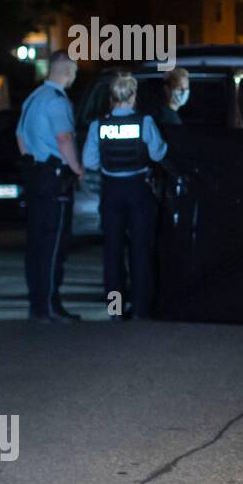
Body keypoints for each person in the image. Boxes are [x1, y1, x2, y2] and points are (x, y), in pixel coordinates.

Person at [82, 71, 168, 320]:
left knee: (112, 252)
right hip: (139, 190)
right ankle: (141, 310)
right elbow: (158, 154)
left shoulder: (98, 124)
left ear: (112, 96)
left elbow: (89, 161)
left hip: (111, 193)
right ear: (133, 96)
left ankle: (115, 310)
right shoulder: (145, 122)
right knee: (141, 252)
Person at [16, 50, 84, 322]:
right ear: (66, 71)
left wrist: (32, 161)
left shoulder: (33, 98)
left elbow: (20, 136)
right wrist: (76, 168)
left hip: (35, 174)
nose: (75, 76)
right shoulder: (58, 101)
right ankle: (50, 305)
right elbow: (64, 138)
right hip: (54, 176)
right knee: (54, 242)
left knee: (35, 243)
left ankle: (37, 304)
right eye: (75, 71)